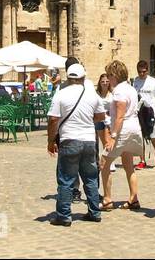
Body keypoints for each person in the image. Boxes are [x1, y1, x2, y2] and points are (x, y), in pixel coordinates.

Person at [47, 63, 110, 226]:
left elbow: (53, 119)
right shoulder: (92, 95)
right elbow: (101, 115)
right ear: (83, 77)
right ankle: (95, 212)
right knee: (90, 178)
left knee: (66, 179)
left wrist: (51, 141)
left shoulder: (61, 94)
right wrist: (87, 119)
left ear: (68, 78)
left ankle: (64, 215)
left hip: (69, 139)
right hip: (89, 140)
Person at [99, 60, 143, 211]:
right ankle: (133, 198)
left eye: (109, 75)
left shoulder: (118, 91)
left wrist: (112, 136)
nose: (108, 79)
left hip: (122, 130)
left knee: (104, 163)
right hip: (134, 128)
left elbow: (119, 116)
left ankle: (107, 199)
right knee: (128, 164)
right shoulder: (131, 88)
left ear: (114, 76)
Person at [132, 60, 155, 169]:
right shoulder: (135, 82)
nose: (141, 74)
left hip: (152, 113)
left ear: (147, 70)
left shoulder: (154, 81)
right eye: (139, 72)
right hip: (139, 113)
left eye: (144, 72)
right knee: (140, 136)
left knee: (154, 136)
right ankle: (142, 160)